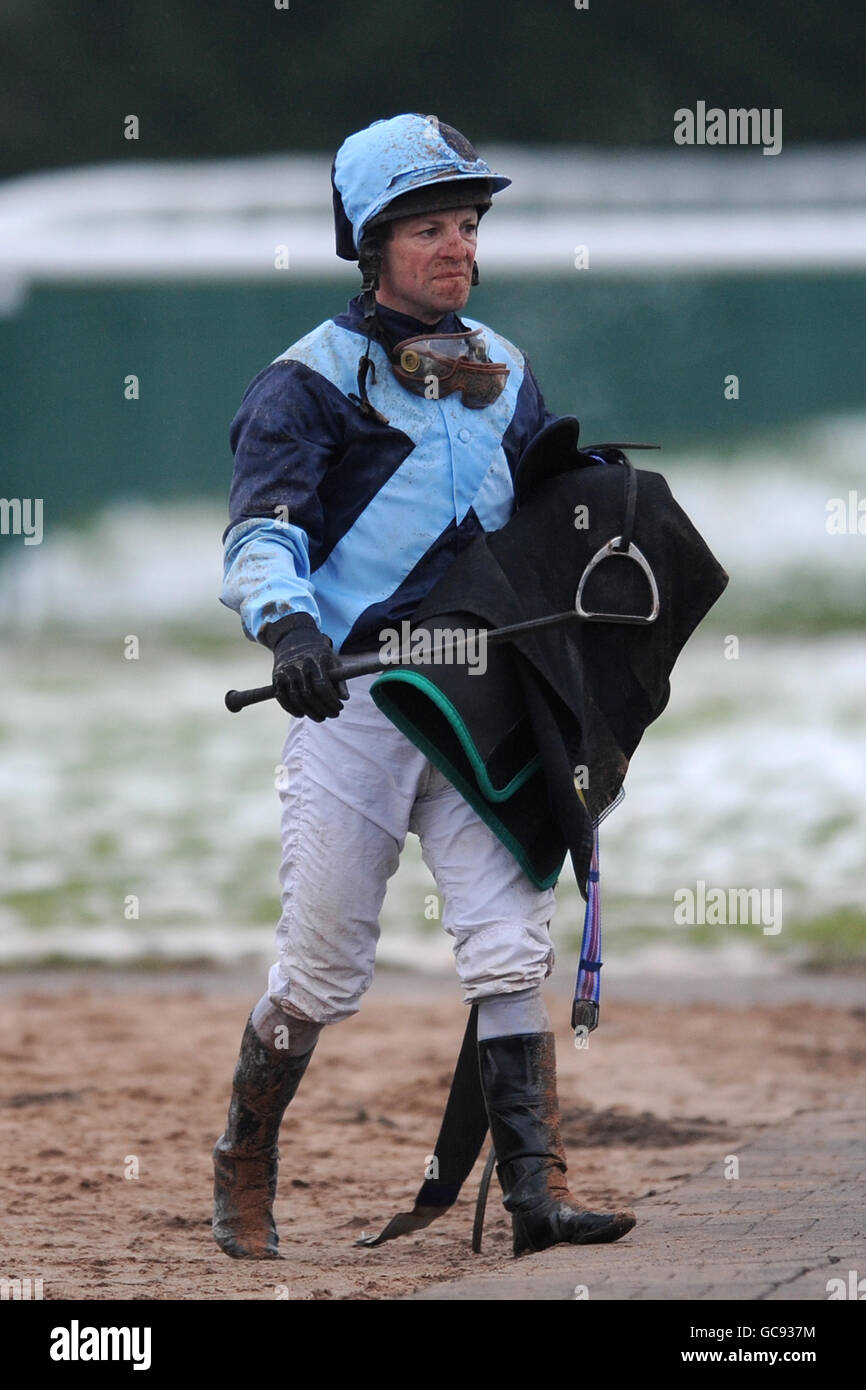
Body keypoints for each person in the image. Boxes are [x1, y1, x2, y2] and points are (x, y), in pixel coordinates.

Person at [214, 113, 636, 1260]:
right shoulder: (303, 383)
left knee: (508, 940)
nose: (457, 248)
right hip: (350, 701)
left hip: (481, 700)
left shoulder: (502, 369)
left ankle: (535, 1199)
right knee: (321, 968)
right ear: (368, 240)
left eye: (468, 225)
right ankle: (242, 1160)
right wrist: (288, 622)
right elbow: (259, 531)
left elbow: (545, 514)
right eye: (430, 228)